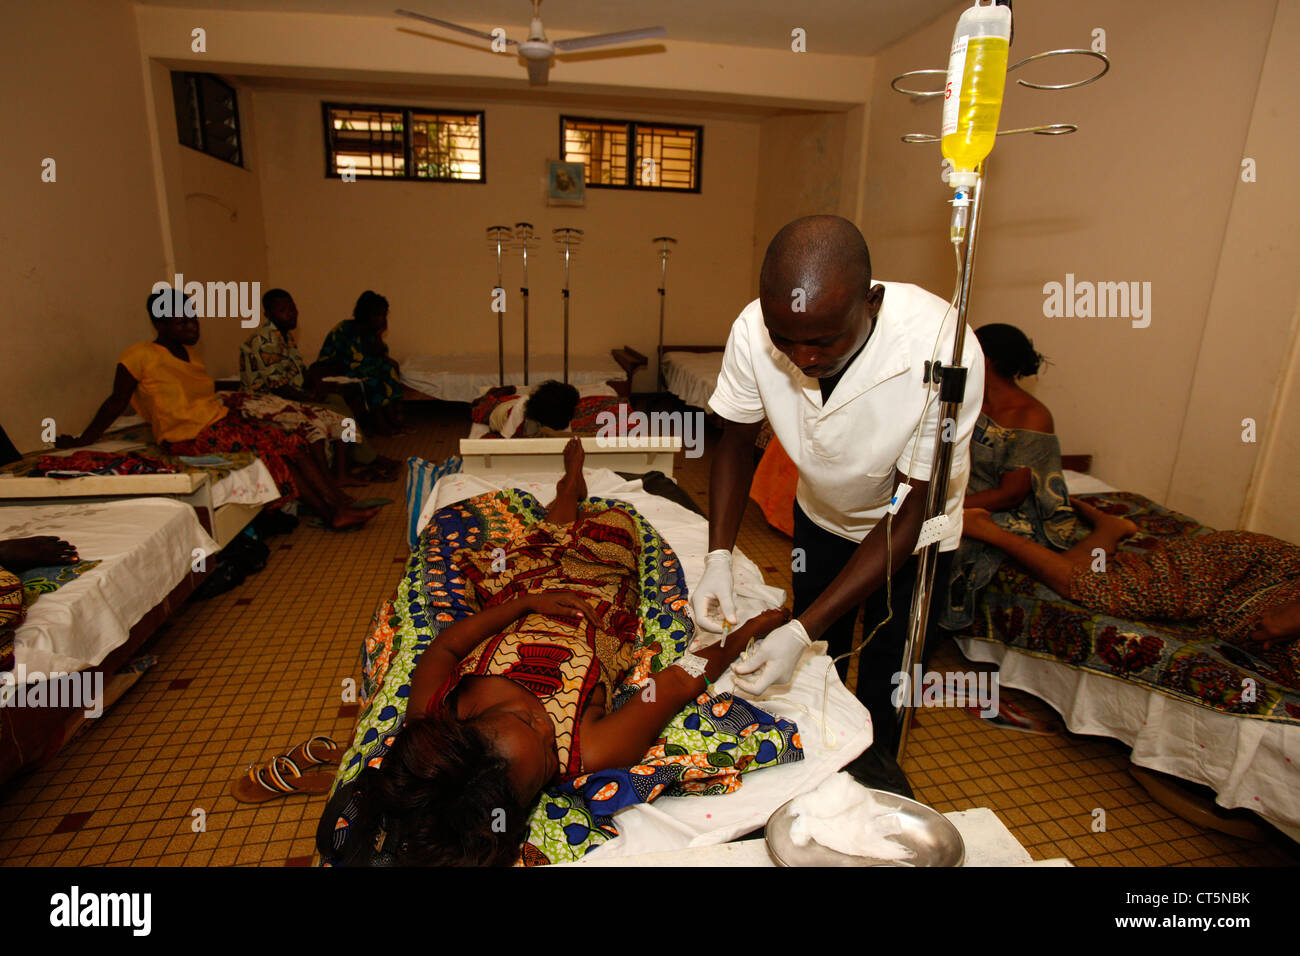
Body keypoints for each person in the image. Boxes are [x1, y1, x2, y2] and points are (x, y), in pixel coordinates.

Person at [342, 438, 790, 866]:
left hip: (522, 595)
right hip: (599, 597)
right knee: (616, 525)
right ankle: (573, 494)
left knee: (537, 544)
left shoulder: (440, 710)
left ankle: (569, 486)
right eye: (545, 750)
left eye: (520, 718)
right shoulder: (594, 749)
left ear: (468, 727)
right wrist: (743, 634)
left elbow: (448, 643)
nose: (543, 721)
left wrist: (527, 603)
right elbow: (676, 682)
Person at [693, 215, 984, 756]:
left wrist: (799, 631)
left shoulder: (943, 350)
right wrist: (717, 557)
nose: (803, 359)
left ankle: (875, 775)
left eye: (824, 342)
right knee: (822, 666)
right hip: (822, 515)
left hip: (911, 534)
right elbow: (733, 442)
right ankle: (823, 765)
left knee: (888, 675)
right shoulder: (754, 329)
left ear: (870, 304)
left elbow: (913, 504)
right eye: (786, 341)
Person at [56, 290, 378, 530]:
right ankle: (333, 508)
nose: (192, 326)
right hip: (187, 436)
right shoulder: (139, 355)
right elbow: (116, 401)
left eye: (193, 318)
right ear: (160, 323)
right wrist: (83, 438)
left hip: (217, 422)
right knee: (282, 446)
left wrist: (237, 394)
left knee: (291, 441)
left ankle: (334, 505)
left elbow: (203, 391)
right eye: (181, 321)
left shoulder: (190, 355)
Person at [962, 501, 1300, 683]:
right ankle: (984, 528)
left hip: (1256, 589)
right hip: (1248, 570)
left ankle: (1111, 529)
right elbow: (1276, 619)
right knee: (1089, 586)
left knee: (1079, 569)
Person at [940, 323, 1080, 630]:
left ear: (984, 359)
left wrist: (947, 507)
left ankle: (940, 625)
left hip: (1013, 510)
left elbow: (1012, 493)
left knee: (943, 541)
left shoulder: (1031, 415)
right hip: (968, 498)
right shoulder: (966, 404)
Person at [240, 289, 398, 481]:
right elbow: (278, 386)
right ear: (269, 314)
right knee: (339, 416)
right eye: (283, 310)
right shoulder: (264, 342)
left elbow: (299, 373)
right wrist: (309, 398)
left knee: (340, 402)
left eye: (292, 308)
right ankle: (358, 464)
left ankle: (358, 460)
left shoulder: (285, 337)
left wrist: (318, 386)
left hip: (295, 394)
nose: (291, 313)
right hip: (272, 401)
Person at [313, 291, 404, 435]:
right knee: (374, 377)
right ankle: (381, 423)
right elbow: (354, 359)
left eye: (383, 315)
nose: (381, 319)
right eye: (377, 315)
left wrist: (379, 342)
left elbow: (378, 355)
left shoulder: (371, 332)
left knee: (389, 368)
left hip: (358, 367)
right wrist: (379, 361)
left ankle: (394, 417)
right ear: (365, 314)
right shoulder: (345, 329)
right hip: (336, 368)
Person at [484, 380, 580, 437]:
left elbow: (566, 436)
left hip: (517, 403)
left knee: (516, 400)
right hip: (500, 414)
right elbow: (507, 435)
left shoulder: (564, 409)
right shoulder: (523, 407)